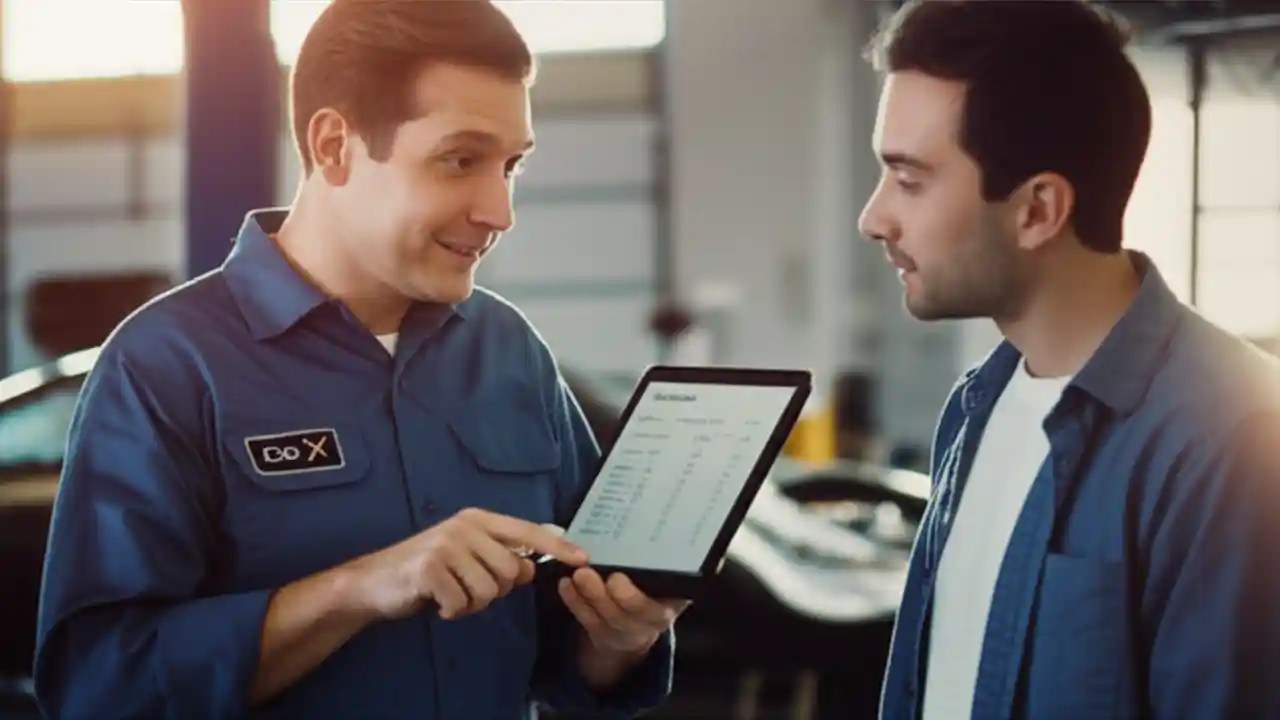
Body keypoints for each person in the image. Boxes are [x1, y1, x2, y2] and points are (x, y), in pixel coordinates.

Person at [34, 1, 684, 717]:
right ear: (335, 145)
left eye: (511, 165)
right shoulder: (167, 365)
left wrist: (624, 635)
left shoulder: (509, 352)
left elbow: (565, 658)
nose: (499, 211)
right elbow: (97, 687)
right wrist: (359, 589)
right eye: (460, 160)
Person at [858, 1, 1280, 718]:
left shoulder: (1233, 439)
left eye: (910, 180)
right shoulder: (974, 410)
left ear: (1038, 210)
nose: (874, 218)